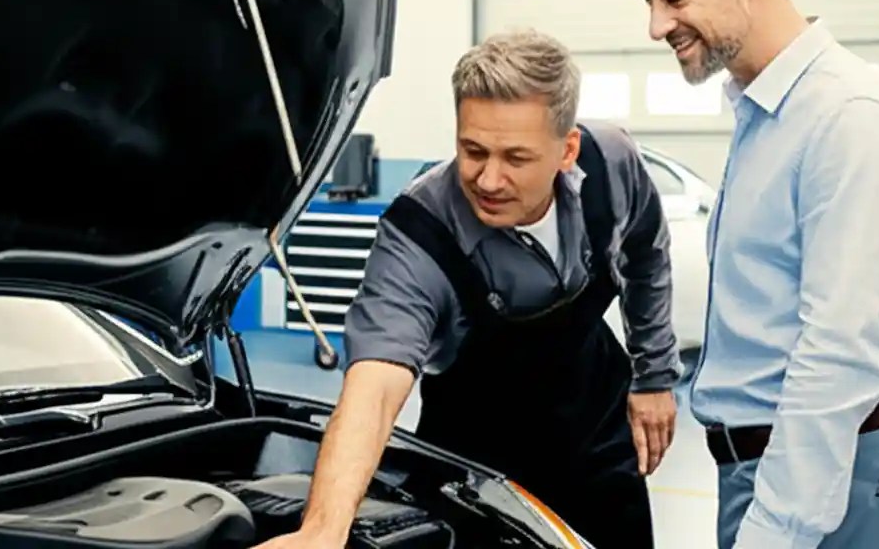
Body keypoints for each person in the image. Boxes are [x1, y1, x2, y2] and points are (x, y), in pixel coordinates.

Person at [253, 29, 682, 549]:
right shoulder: (420, 231)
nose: (489, 180)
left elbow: (647, 256)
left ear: (566, 150)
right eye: (472, 150)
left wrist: (654, 376)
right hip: (477, 458)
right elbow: (376, 384)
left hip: (597, 428)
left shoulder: (612, 162)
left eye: (516, 158)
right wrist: (323, 531)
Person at [614, 0, 879, 549]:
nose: (656, 25)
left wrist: (773, 528)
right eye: (649, 0)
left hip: (828, 479)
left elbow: (839, 351)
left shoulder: (847, 118)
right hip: (768, 469)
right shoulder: (764, 112)